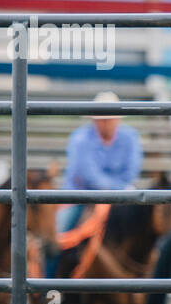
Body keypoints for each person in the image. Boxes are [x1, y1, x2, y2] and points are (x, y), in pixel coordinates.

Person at [46, 90, 143, 275]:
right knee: (56, 236)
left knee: (143, 229)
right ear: (94, 120)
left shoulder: (130, 137)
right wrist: (118, 188)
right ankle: (45, 285)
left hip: (117, 197)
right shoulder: (80, 139)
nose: (105, 122)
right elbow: (87, 174)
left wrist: (115, 189)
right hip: (80, 197)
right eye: (101, 118)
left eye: (109, 118)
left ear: (118, 120)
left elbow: (131, 171)